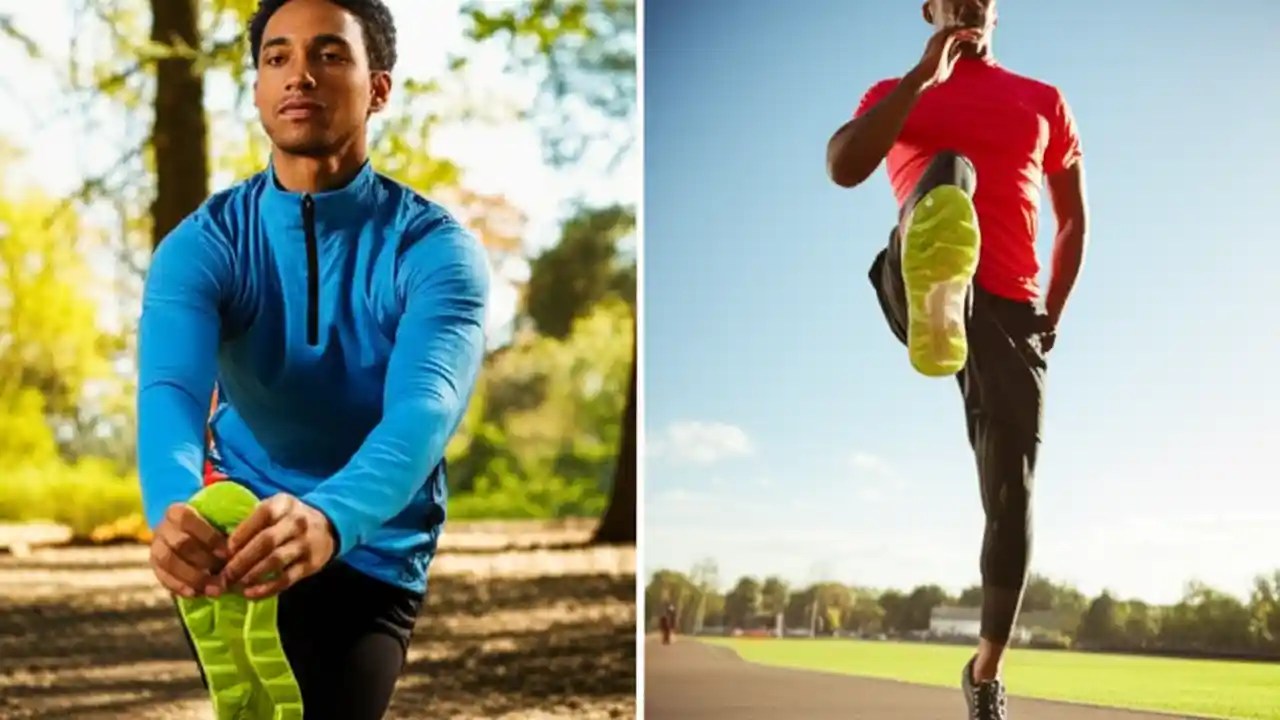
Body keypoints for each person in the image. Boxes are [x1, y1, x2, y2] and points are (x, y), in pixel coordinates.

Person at [136, 0, 490, 717]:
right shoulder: (203, 245)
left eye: (329, 54)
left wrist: (330, 518)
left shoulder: (435, 251)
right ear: (259, 90)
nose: (299, 74)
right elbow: (171, 390)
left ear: (378, 88)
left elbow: (423, 411)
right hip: (241, 522)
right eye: (277, 58)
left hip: (376, 535)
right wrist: (172, 509)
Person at [825, 1, 1088, 718]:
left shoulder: (1043, 101)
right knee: (950, 171)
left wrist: (1050, 318)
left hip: (1011, 313)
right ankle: (939, 299)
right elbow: (844, 167)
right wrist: (923, 74)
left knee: (1014, 491)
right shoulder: (895, 90)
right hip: (912, 271)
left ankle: (984, 671)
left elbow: (1072, 217)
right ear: (930, 8)